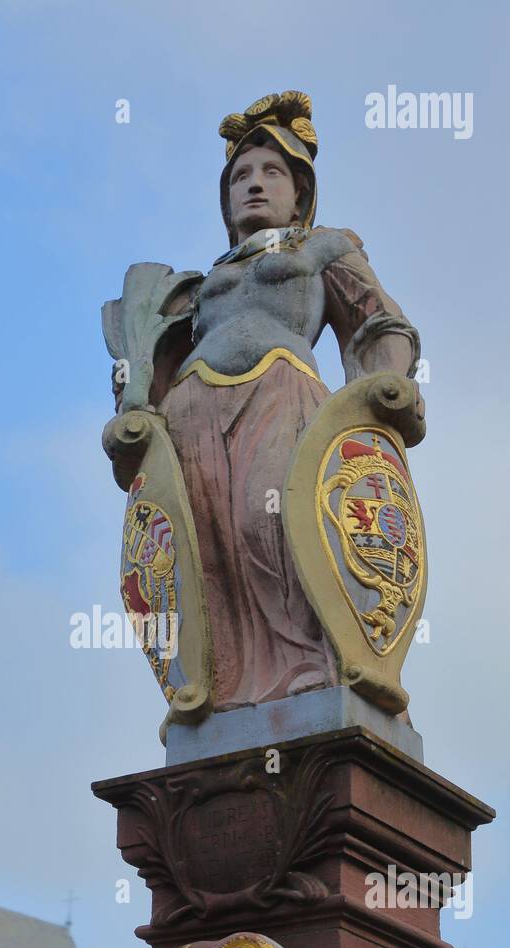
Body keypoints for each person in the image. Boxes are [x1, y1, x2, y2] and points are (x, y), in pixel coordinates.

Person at [155, 91, 420, 710]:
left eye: (272, 172)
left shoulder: (323, 248)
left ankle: (309, 662)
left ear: (299, 191)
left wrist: (386, 387)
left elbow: (378, 324)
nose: (254, 185)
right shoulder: (199, 284)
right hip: (192, 410)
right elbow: (152, 366)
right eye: (241, 176)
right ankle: (220, 688)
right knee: (205, 548)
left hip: (280, 393)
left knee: (267, 521)